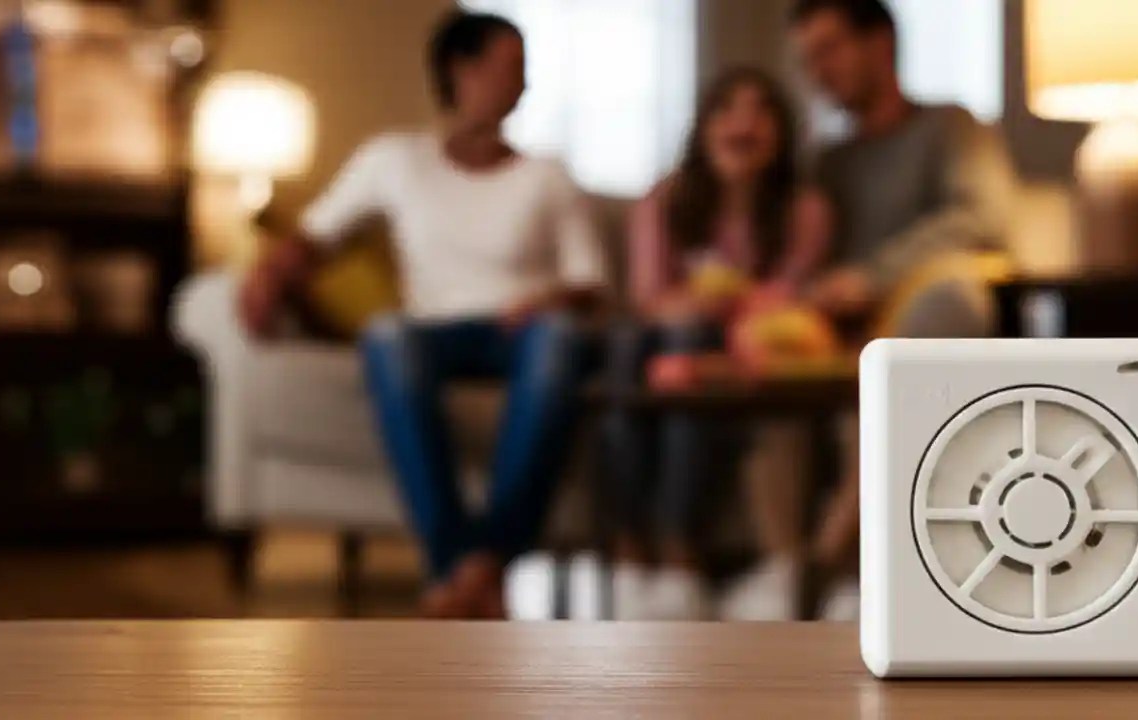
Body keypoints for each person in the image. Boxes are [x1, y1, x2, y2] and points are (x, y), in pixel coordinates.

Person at [240, 10, 608, 619]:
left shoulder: (548, 175)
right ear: (459, 70)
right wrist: (266, 276)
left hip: (524, 333)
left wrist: (548, 301)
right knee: (386, 334)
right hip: (433, 332)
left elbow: (592, 285)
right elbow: (314, 239)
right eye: (511, 66)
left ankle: (465, 570)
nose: (525, 82)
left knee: (560, 339)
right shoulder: (393, 159)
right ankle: (470, 566)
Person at [789, 0, 1016, 617]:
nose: (818, 71)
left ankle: (837, 545)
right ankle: (811, 565)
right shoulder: (828, 162)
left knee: (948, 305)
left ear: (880, 43)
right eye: (808, 59)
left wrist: (872, 276)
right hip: (840, 333)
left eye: (829, 50)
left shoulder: (950, 127)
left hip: (921, 315)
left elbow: (982, 220)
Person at [603, 67, 830, 621]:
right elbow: (649, 298)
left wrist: (707, 305)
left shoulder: (805, 210)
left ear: (782, 133)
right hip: (658, 355)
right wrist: (711, 302)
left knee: (688, 334)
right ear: (703, 128)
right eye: (728, 109)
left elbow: (780, 305)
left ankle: (679, 555)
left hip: (739, 362)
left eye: (761, 111)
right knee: (635, 342)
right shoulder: (666, 200)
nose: (743, 123)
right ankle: (632, 555)